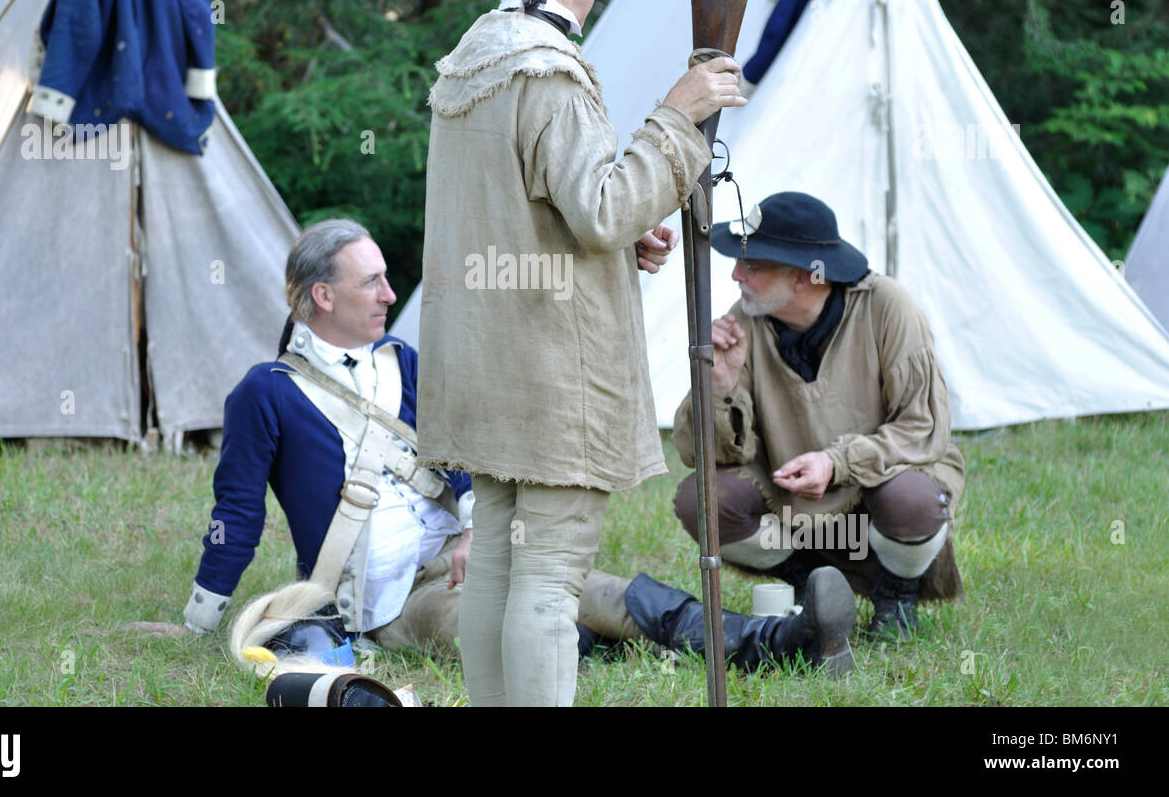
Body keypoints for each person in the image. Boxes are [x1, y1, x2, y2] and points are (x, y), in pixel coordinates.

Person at [415, 0, 806, 706]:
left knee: (496, 557)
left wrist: (622, 237)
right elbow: (598, 207)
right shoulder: (550, 70)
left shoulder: (473, 62)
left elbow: (525, 206)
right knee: (550, 575)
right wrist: (675, 115)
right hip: (548, 365)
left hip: (488, 358)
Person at [184, 219, 856, 683]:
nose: (391, 294)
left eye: (388, 278)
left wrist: (476, 528)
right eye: (373, 282)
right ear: (323, 295)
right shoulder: (264, 394)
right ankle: (602, 639)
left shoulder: (402, 362)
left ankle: (775, 642)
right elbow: (236, 514)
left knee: (589, 588)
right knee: (522, 623)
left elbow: (462, 450)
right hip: (386, 598)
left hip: (461, 551)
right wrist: (198, 623)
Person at [671, 192, 967, 639]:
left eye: (752, 265)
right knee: (703, 502)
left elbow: (922, 427)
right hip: (791, 499)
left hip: (879, 488)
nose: (735, 274)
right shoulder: (745, 320)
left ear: (802, 277)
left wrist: (837, 462)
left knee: (911, 500)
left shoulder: (887, 306)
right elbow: (711, 455)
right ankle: (813, 584)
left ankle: (896, 594)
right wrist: (720, 387)